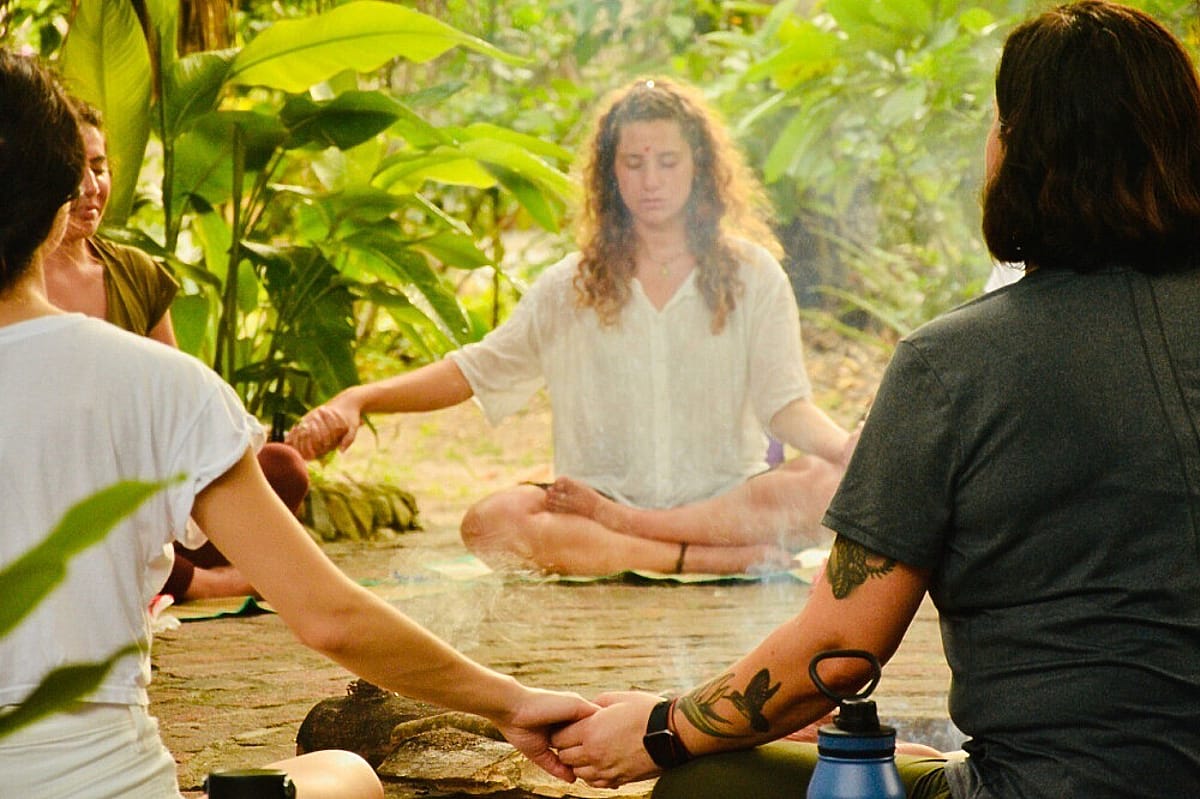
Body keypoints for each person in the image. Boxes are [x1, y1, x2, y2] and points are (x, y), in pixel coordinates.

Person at [545, 2, 1200, 797]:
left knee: (705, 785)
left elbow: (837, 653)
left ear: (1016, 151)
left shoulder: (951, 363)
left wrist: (660, 729)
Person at [0, 49, 594, 798]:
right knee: (341, 773)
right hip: (104, 782)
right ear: (60, 200)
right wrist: (513, 700)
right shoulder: (157, 385)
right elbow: (329, 618)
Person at [288, 77, 854, 576]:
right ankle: (692, 555)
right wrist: (360, 399)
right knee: (493, 522)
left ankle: (629, 534)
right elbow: (475, 369)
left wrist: (848, 451)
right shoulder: (569, 284)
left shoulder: (754, 274)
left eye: (668, 161)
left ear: (700, 168)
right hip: (598, 499)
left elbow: (786, 406)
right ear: (610, 173)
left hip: (725, 503)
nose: (650, 180)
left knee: (828, 484)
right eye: (633, 162)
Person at [41, 98, 309, 602]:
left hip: (146, 492)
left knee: (280, 469)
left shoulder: (137, 272)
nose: (89, 188)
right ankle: (210, 583)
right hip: (64, 500)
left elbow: (179, 403)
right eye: (71, 171)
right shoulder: (15, 275)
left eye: (98, 168)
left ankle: (179, 570)